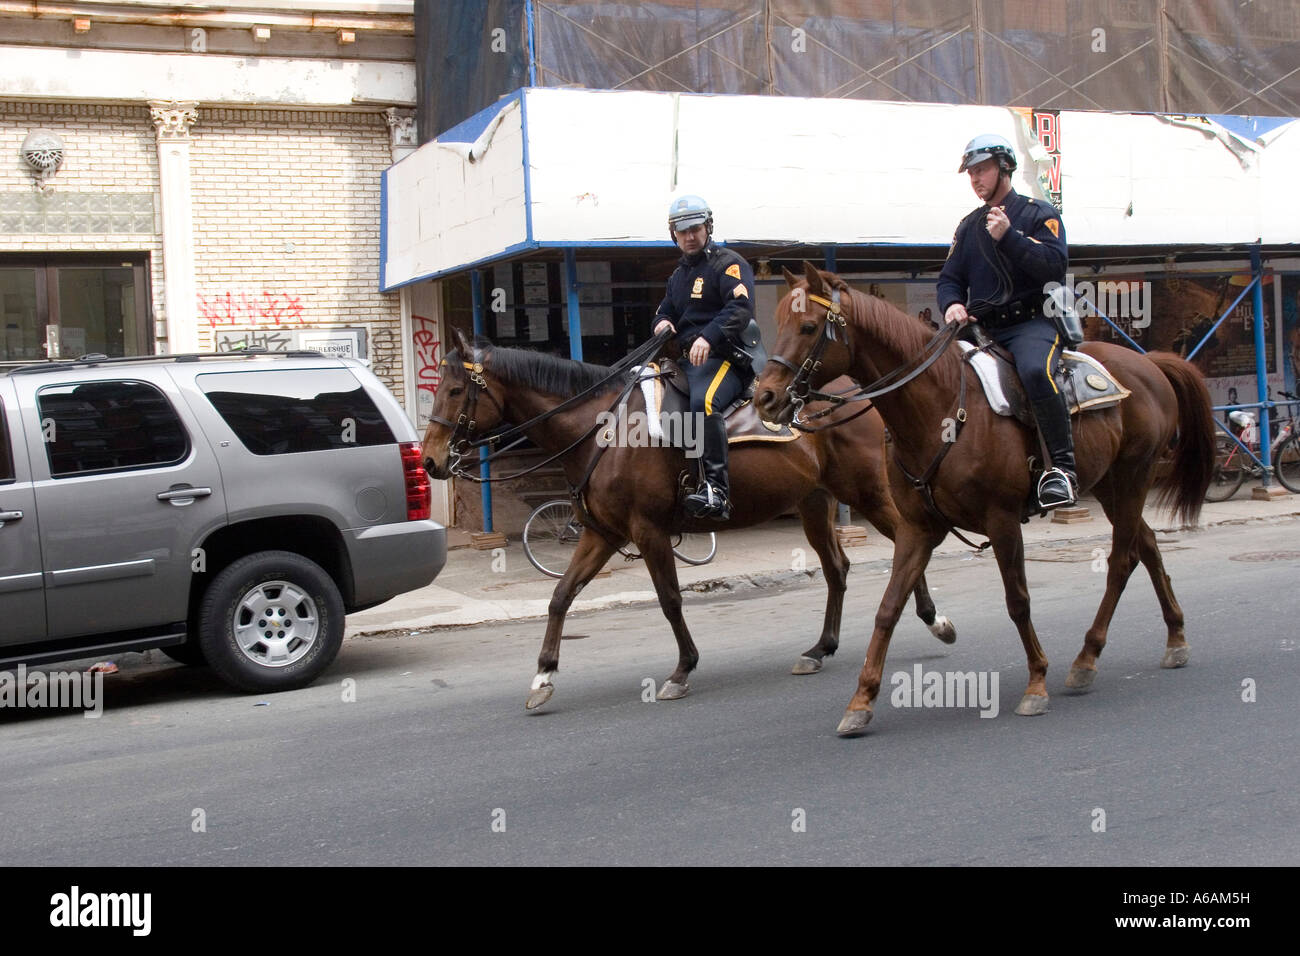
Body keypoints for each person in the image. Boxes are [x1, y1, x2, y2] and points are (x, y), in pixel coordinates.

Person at [937, 133, 1077, 510]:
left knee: (1035, 372)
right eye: (971, 173)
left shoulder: (1038, 214)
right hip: (983, 328)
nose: (975, 179)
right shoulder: (967, 227)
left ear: (1004, 168)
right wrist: (951, 304)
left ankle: (1062, 471)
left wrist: (1009, 237)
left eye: (981, 170)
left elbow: (1055, 267)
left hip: (1032, 324)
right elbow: (950, 278)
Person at [652, 195, 758, 521]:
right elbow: (664, 311)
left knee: (705, 403)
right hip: (688, 363)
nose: (690, 236)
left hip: (727, 359)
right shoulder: (678, 276)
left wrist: (707, 337)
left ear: (707, 227)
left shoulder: (728, 264)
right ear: (674, 235)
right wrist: (661, 323)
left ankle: (717, 490)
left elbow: (740, 308)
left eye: (695, 229)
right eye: (682, 231)